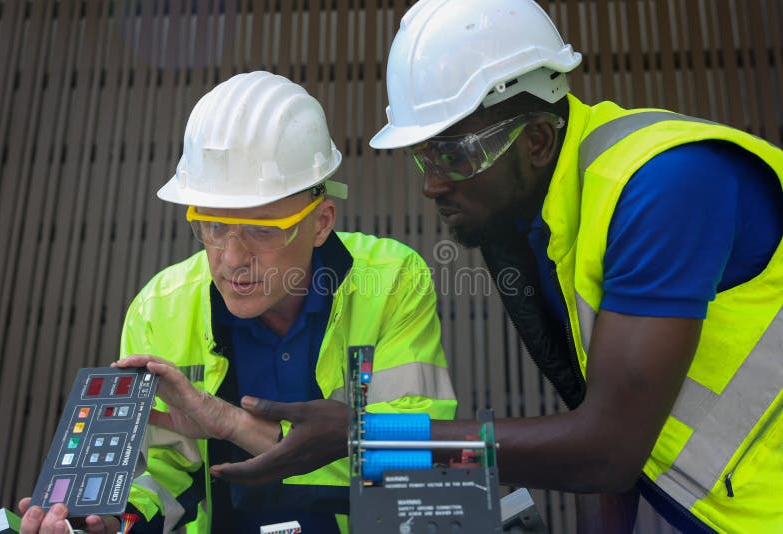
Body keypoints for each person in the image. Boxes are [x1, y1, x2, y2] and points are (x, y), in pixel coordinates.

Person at [203, 1, 783, 533]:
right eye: (421, 156)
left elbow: (607, 447)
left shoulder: (664, 187)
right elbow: (594, 430)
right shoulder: (540, 220)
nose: (431, 183)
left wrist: (362, 438)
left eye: (452, 155)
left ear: (534, 140)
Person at [18, 71, 456, 533]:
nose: (231, 260)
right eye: (213, 227)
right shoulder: (159, 310)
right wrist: (110, 521)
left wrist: (232, 423)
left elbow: (417, 464)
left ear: (322, 221)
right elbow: (159, 480)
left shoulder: (391, 281)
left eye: (262, 230)